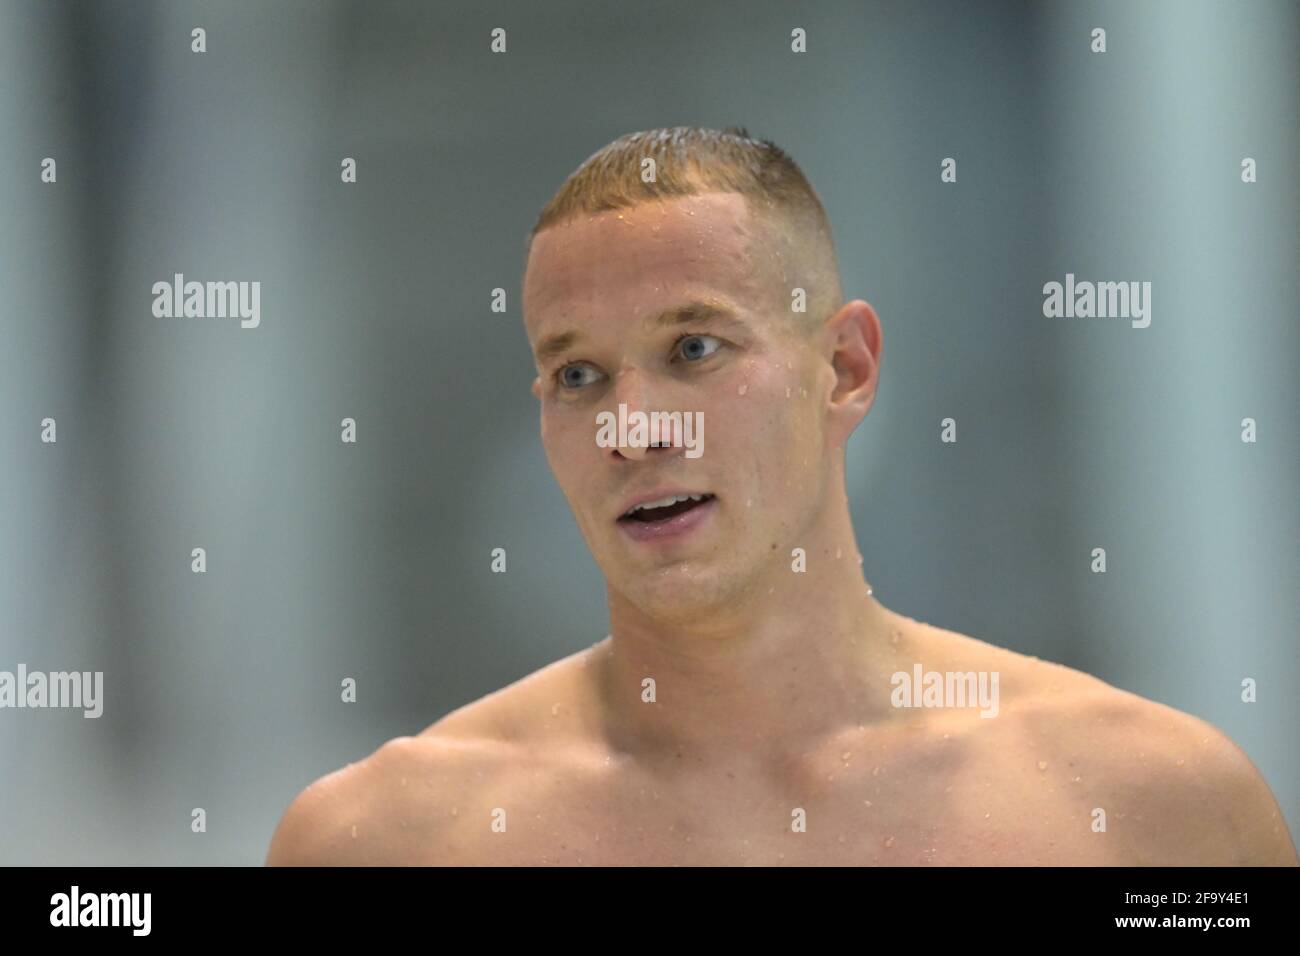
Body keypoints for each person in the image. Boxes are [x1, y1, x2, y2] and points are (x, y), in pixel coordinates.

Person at [266, 127, 1297, 865]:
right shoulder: (392, 836)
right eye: (578, 375)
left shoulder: (1152, 806)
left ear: (844, 368)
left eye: (694, 347)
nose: (633, 425)